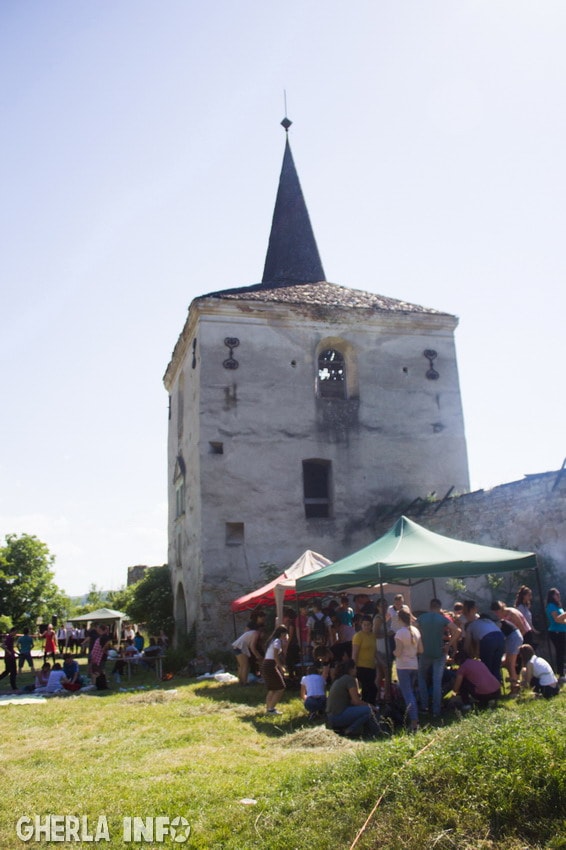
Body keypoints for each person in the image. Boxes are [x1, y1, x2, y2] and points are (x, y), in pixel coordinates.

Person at [417, 598, 461, 717]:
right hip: (439, 652)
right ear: (439, 607)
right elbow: (457, 631)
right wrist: (448, 645)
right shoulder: (442, 619)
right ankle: (436, 710)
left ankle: (424, 706)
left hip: (425, 652)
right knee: (437, 681)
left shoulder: (422, 618)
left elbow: (414, 629)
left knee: (421, 677)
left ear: (430, 606)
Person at [325, 658, 373, 736]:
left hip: (330, 717)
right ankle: (350, 730)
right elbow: (356, 701)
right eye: (355, 668)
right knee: (369, 711)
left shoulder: (339, 679)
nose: (356, 670)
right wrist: (371, 706)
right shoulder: (349, 679)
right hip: (338, 716)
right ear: (351, 669)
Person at [394, 609, 423, 731]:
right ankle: (415, 715)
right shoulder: (416, 631)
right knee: (412, 691)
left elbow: (398, 652)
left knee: (407, 693)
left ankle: (414, 722)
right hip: (414, 664)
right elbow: (421, 650)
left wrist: (393, 652)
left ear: (400, 619)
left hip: (403, 666)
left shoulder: (400, 633)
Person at [490, 601, 527, 692]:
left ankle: (515, 688)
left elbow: (522, 629)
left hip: (515, 638)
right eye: (494, 612)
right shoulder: (499, 620)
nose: (496, 614)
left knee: (511, 664)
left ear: (501, 609)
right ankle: (514, 684)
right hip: (510, 638)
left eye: (497, 612)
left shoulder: (511, 614)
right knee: (507, 663)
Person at [463, 601, 505, 682]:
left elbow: (466, 645)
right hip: (500, 637)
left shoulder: (470, 627)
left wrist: (467, 657)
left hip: (488, 640)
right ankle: (497, 688)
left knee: (486, 667)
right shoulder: (486, 621)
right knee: (496, 665)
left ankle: (487, 689)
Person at [261, 626, 288, 715]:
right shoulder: (277, 641)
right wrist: (281, 667)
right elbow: (276, 656)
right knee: (281, 688)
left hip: (266, 664)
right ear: (282, 634)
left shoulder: (272, 640)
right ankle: (271, 709)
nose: (285, 636)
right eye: (285, 635)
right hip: (270, 665)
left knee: (272, 689)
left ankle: (269, 708)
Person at [351, 616, 377, 704]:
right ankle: (367, 706)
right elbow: (355, 653)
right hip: (361, 666)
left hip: (371, 666)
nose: (366, 627)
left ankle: (370, 706)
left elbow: (375, 651)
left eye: (368, 625)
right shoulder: (358, 636)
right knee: (369, 688)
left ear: (371, 625)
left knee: (372, 688)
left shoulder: (373, 636)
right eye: (364, 625)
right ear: (361, 625)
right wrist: (353, 667)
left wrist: (380, 662)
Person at [545, 588, 566, 681]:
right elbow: (557, 619)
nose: (558, 596)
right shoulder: (551, 606)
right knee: (560, 652)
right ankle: (561, 674)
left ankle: (562, 672)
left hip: (562, 631)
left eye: (559, 594)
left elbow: (563, 620)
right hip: (556, 632)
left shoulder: (558, 606)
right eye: (556, 594)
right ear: (552, 596)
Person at [0, 627, 19, 692]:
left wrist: (16, 653)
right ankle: (14, 687)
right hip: (9, 657)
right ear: (12, 631)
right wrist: (9, 652)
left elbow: (10, 648)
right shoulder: (9, 637)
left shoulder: (11, 638)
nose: (16, 633)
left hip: (9, 657)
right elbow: (2, 645)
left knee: (7, 671)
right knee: (13, 672)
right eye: (15, 632)